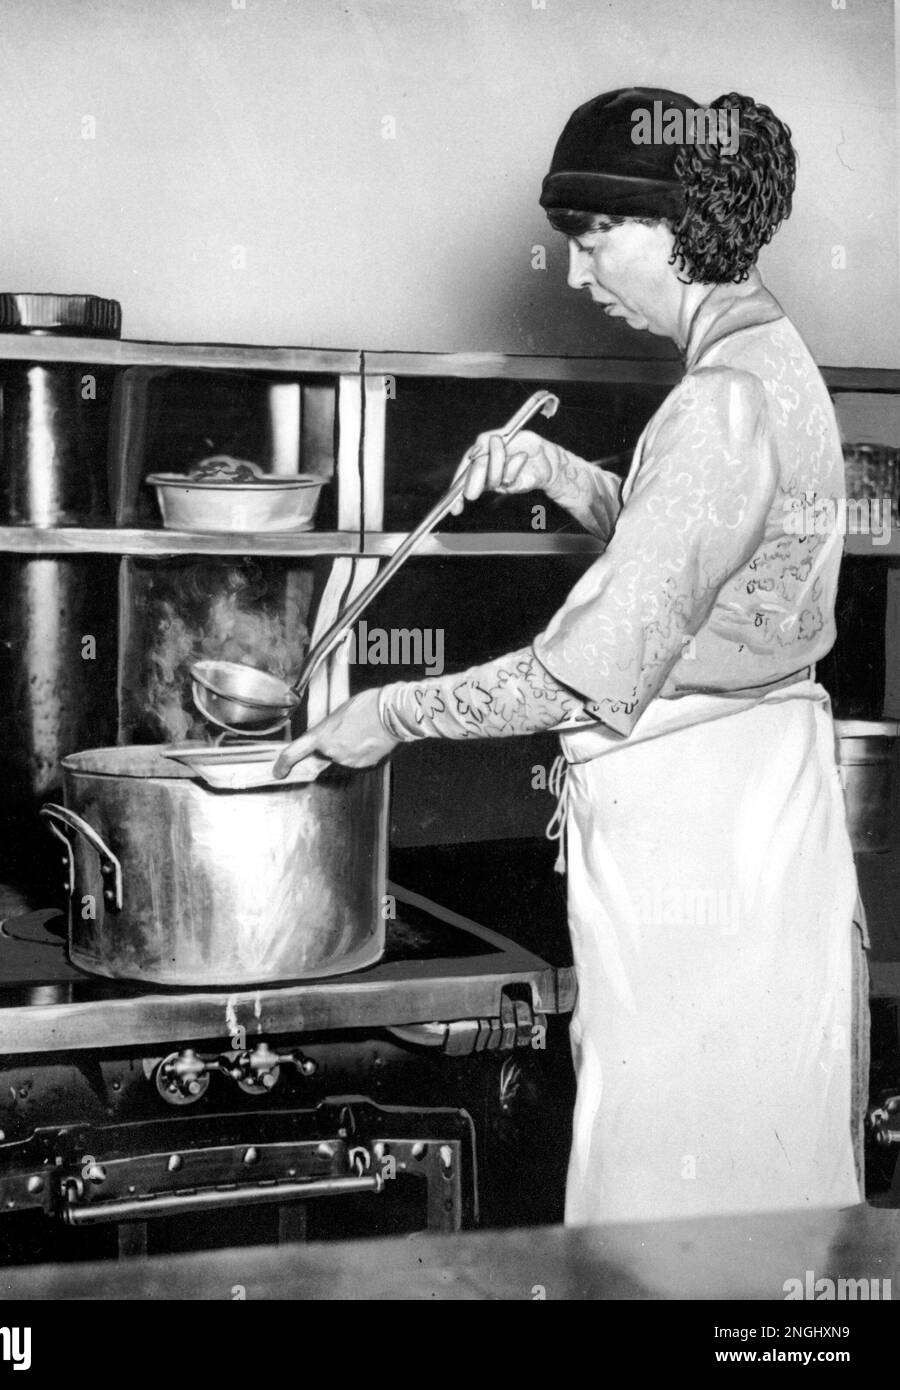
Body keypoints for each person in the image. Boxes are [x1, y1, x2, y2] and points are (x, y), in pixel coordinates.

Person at [274, 88, 867, 1225]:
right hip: (754, 825)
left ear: (676, 222)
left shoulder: (719, 401)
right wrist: (560, 472)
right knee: (761, 1193)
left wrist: (390, 716)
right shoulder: (770, 357)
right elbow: (703, 555)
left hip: (701, 840)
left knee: (670, 1203)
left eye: (595, 239)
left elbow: (571, 673)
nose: (583, 274)